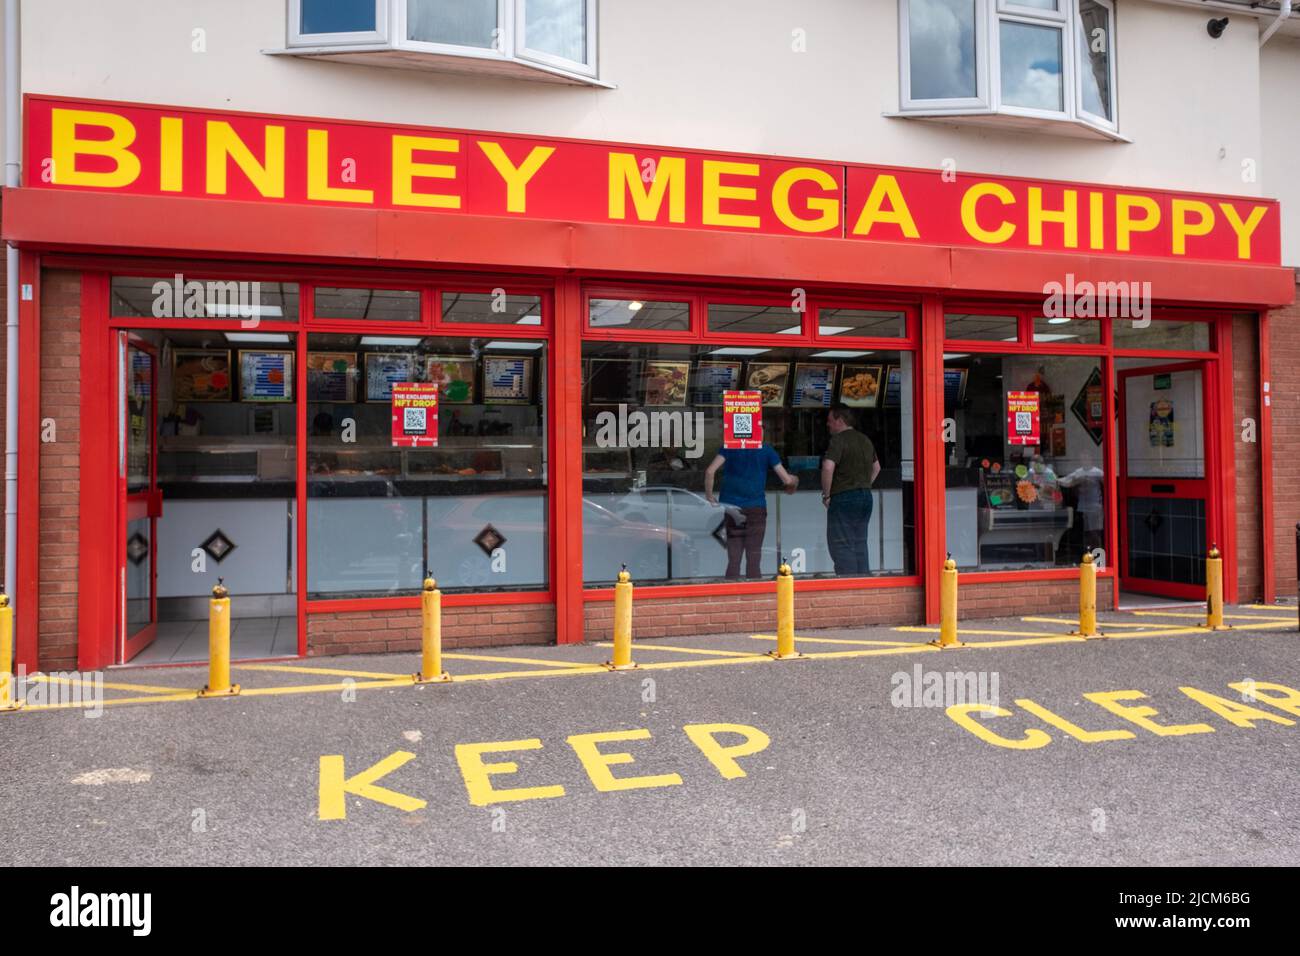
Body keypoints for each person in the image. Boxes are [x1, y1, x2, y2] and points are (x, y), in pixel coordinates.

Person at [703, 444, 798, 579]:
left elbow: (710, 471)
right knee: (754, 558)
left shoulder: (729, 446)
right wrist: (795, 480)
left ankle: (731, 593)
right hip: (756, 508)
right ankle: (754, 595)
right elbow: (787, 480)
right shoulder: (766, 450)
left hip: (731, 508)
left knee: (734, 559)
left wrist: (709, 496)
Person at [821, 404, 881, 575]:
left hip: (843, 498)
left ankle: (848, 584)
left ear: (840, 420)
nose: (828, 424)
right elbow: (877, 467)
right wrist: (864, 484)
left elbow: (827, 466)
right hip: (865, 497)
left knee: (841, 544)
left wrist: (827, 495)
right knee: (860, 542)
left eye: (830, 421)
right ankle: (863, 583)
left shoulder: (838, 440)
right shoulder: (865, 440)